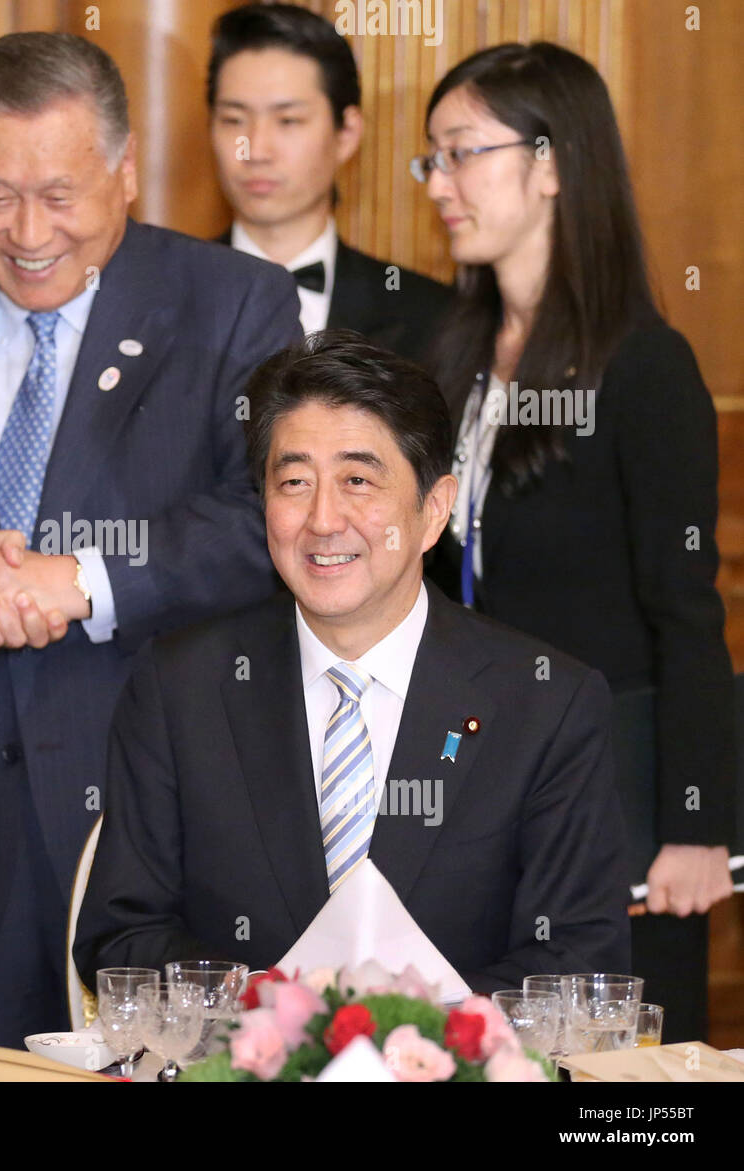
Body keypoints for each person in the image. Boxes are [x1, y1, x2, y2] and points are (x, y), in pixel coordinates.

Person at [0, 32, 302, 1046]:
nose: (24, 230)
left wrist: (81, 579)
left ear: (127, 170)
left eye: (57, 194)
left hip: (158, 824)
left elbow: (267, 518)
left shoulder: (232, 304)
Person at [74, 331, 631, 989]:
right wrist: (279, 1017)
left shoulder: (545, 705)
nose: (322, 518)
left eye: (357, 480)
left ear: (432, 510)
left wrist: (394, 1027)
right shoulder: (180, 687)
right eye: (294, 481)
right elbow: (121, 935)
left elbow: (575, 959)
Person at [417, 42, 735, 1041]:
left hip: (615, 802)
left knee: (620, 1080)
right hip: (479, 785)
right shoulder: (453, 355)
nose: (439, 185)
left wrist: (698, 828)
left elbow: (685, 609)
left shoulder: (643, 364)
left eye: (462, 153)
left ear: (550, 163)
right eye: (430, 159)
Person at [207, 3, 450, 359]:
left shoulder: (431, 314)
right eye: (233, 120)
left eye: (288, 121)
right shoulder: (161, 295)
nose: (256, 150)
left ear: (347, 133)